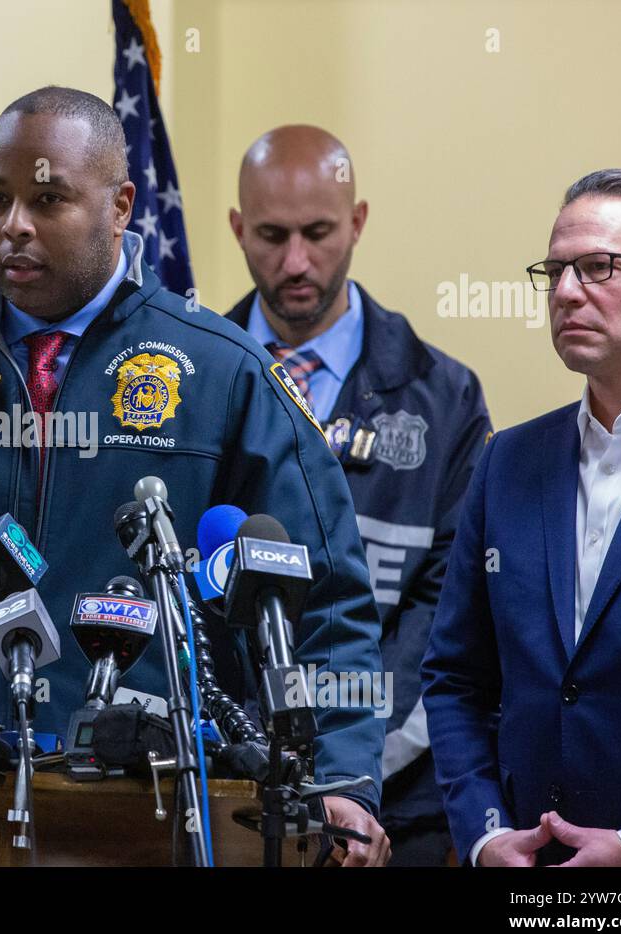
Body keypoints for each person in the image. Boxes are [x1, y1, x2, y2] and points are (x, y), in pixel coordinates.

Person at [0, 86, 389, 864]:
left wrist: (341, 778)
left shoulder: (221, 372)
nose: (14, 226)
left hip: (154, 809)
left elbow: (325, 599)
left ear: (121, 205)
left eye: (48, 198)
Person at [224, 126, 490, 865]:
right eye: (272, 236)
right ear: (239, 229)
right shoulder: (196, 381)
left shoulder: (446, 397)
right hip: (222, 787)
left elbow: (449, 607)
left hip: (397, 799)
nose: (298, 262)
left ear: (359, 222)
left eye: (320, 233)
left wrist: (351, 763)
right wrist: (252, 752)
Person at [423, 169, 621, 867]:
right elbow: (456, 677)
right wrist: (484, 834)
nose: (567, 291)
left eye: (599, 267)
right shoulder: (507, 460)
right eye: (555, 271)